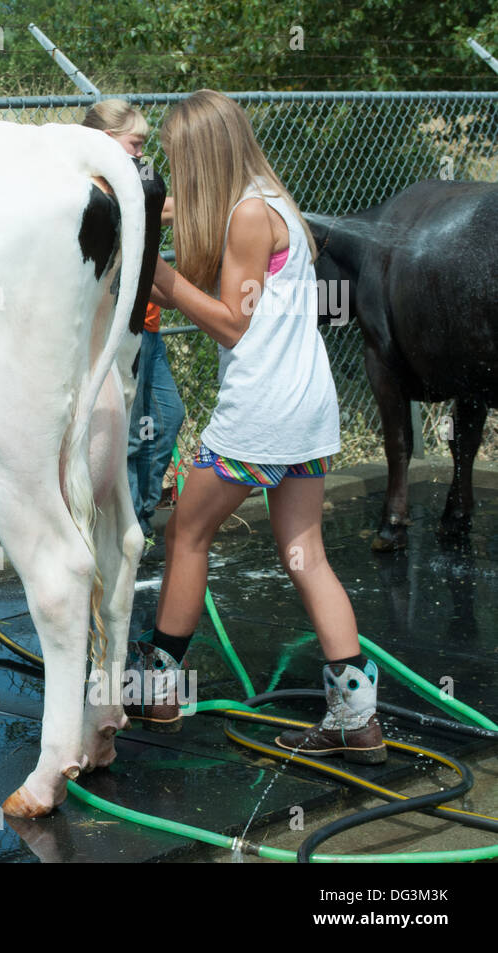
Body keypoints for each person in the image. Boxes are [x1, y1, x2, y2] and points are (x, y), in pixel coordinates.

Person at [126, 90, 383, 764]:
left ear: (201, 154)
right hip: (308, 406)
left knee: (187, 533)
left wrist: (159, 276)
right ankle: (357, 719)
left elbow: (233, 325)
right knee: (306, 556)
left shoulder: (246, 216)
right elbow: (202, 240)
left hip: (263, 412)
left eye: (179, 158)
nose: (175, 171)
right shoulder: (273, 201)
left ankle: (159, 689)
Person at [81, 100, 183, 557]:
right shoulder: (97, 193)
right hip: (120, 338)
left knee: (164, 420)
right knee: (127, 436)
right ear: (105, 141)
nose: (142, 157)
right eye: (136, 145)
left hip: (149, 331)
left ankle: (136, 524)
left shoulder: (132, 188)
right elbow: (156, 208)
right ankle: (121, 533)